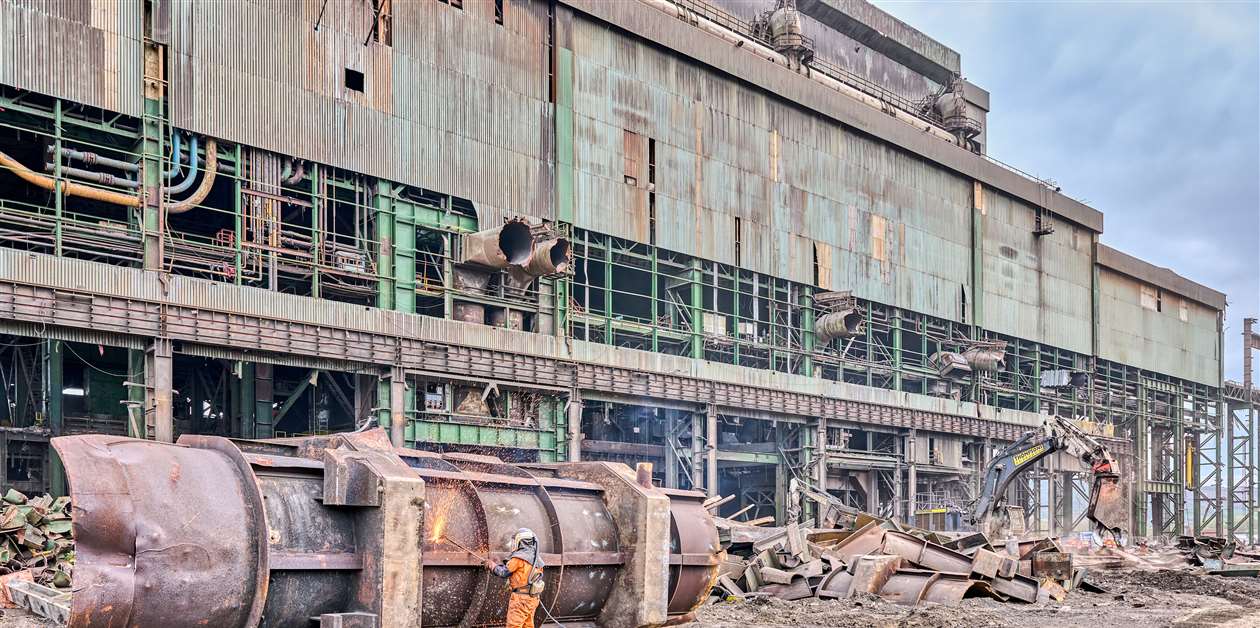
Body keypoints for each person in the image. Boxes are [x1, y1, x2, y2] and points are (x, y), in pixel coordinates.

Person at [484, 527, 546, 628]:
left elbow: (504, 572)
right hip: (533, 598)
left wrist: (492, 566)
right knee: (528, 625)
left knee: (514, 625)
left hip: (520, 599)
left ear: (520, 542)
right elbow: (519, 572)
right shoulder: (536, 559)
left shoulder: (519, 557)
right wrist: (499, 563)